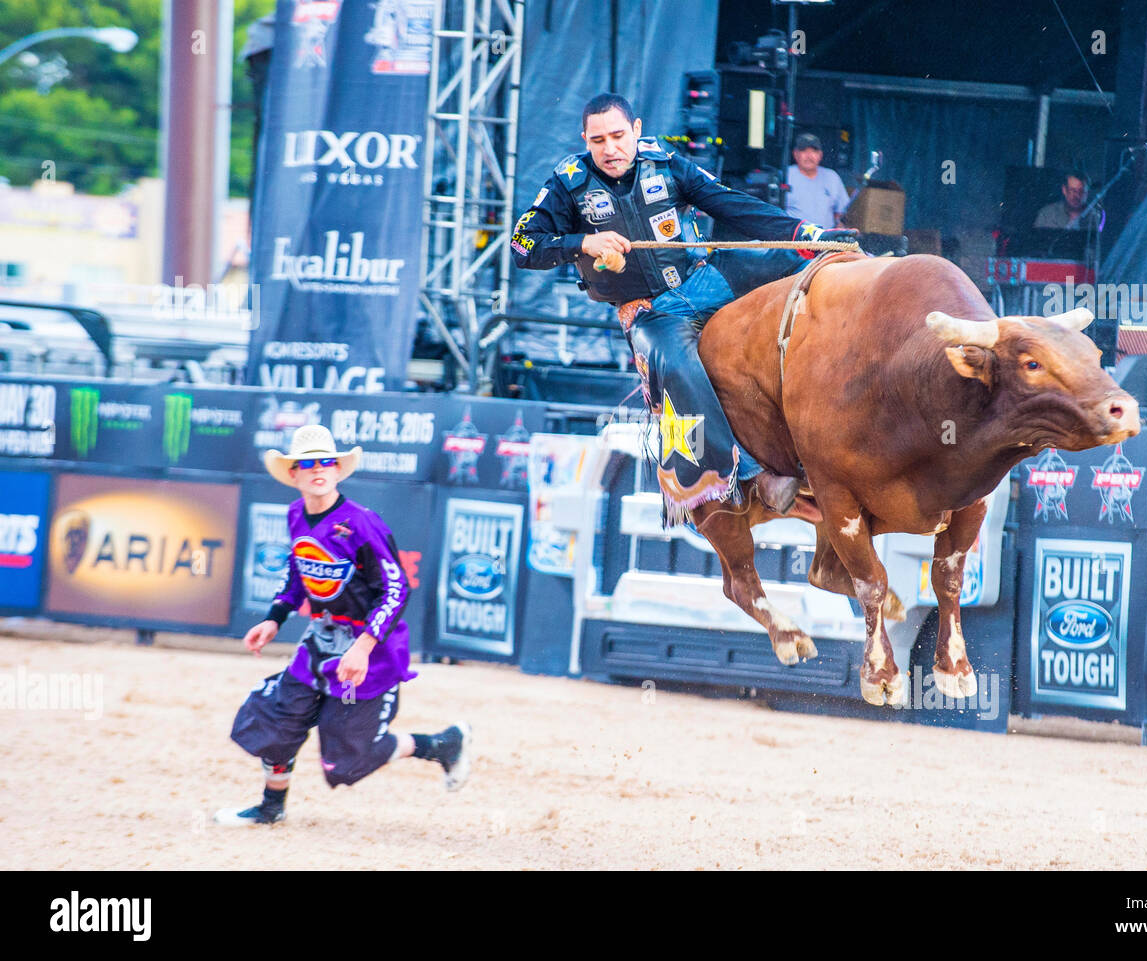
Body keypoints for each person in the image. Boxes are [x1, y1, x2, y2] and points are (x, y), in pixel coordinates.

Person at [511, 92, 859, 523]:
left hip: (706, 275)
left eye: (619, 136)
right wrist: (583, 242)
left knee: (794, 259)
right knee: (678, 369)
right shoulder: (567, 184)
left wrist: (806, 232)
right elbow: (522, 244)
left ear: (636, 131)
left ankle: (873, 316)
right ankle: (754, 477)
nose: (610, 149)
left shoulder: (667, 162)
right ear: (585, 139)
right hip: (649, 311)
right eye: (598, 140)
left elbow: (730, 204)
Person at [214, 424, 471, 826]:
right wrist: (274, 617)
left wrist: (363, 647)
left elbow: (396, 590)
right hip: (321, 641)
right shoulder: (297, 514)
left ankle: (442, 744)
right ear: (294, 474)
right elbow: (299, 572)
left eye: (326, 461)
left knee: (346, 763)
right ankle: (271, 807)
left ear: (337, 470)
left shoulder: (361, 524)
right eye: (308, 463)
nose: (318, 468)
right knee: (277, 721)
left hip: (371, 653)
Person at [785, 132, 850, 228]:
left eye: (814, 151)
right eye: (804, 151)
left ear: (820, 155)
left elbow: (839, 213)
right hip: (793, 239)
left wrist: (839, 226)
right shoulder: (784, 175)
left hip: (825, 239)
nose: (809, 156)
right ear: (795, 154)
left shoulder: (832, 177)